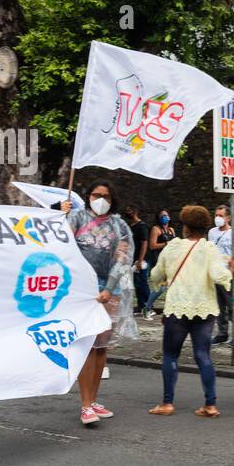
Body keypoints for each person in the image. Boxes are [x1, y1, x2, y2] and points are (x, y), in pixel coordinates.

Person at [148, 205, 232, 418]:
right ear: (204, 228)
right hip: (204, 310)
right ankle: (210, 405)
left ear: (185, 227)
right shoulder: (210, 249)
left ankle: (167, 403)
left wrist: (160, 279)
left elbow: (156, 274)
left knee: (170, 355)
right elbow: (220, 276)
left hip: (177, 308)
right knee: (203, 356)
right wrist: (229, 272)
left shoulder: (172, 247)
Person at [61, 182, 133, 427]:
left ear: (113, 199)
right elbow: (59, 244)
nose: (100, 199)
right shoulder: (76, 218)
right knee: (87, 346)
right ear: (88, 196)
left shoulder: (119, 225)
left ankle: (93, 400)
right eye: (96, 195)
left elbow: (122, 257)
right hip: (81, 289)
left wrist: (109, 288)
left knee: (101, 347)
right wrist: (59, 215)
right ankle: (84, 404)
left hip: (107, 291)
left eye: (105, 196)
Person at [209, 204, 234, 345]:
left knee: (232, 306)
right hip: (215, 275)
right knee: (218, 307)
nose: (218, 218)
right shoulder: (212, 232)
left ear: (228, 218)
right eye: (216, 215)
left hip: (229, 276)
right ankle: (222, 333)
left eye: (221, 216)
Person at [144, 209, 177, 319]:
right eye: (162, 215)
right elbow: (152, 245)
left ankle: (171, 310)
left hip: (171, 261)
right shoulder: (156, 229)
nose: (165, 217)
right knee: (161, 287)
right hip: (159, 260)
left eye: (166, 215)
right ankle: (147, 308)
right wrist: (166, 243)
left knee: (173, 285)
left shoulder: (171, 230)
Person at [124, 206, 149, 313]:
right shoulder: (130, 226)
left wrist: (140, 259)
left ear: (136, 211)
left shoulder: (142, 226)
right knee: (136, 283)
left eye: (130, 210)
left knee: (142, 282)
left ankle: (148, 304)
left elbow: (144, 243)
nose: (128, 212)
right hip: (131, 258)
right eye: (126, 211)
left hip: (140, 259)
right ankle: (141, 304)